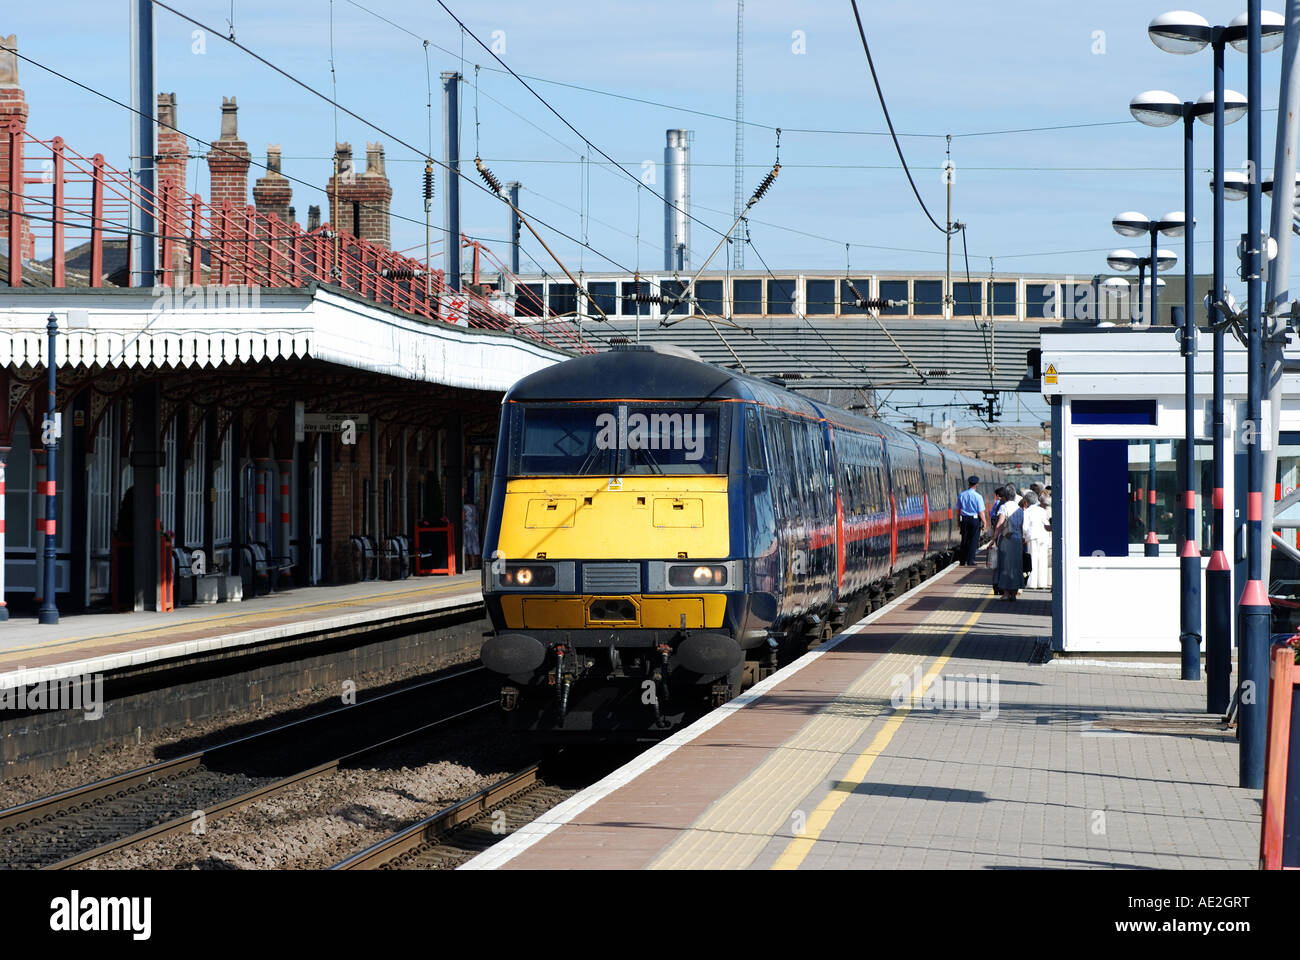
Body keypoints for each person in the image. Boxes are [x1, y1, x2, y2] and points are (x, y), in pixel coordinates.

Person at [993, 488, 1025, 601]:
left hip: (1006, 540)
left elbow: (1000, 523)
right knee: (1016, 567)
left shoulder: (1004, 507)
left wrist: (995, 537)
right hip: (1017, 540)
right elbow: (1022, 527)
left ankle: (1006, 593)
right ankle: (1013, 593)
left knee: (1005, 566)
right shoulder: (1019, 509)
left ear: (1005, 497)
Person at [1021, 491, 1051, 589]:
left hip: (1032, 537)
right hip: (1043, 537)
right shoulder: (1042, 511)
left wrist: (1024, 536)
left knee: (1033, 560)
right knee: (1042, 560)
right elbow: (1046, 524)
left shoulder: (1026, 512)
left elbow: (1025, 527)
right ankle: (1042, 583)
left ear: (1026, 501)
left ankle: (1032, 583)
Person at [956, 475, 988, 566]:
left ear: (969, 484)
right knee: (973, 540)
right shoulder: (978, 496)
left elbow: (958, 511)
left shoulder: (962, 495)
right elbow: (981, 512)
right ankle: (970, 560)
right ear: (976, 484)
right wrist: (984, 522)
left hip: (964, 519)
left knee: (964, 539)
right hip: (974, 520)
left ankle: (962, 560)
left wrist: (958, 521)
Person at [463, 499, 481, 570]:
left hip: (467, 529)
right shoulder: (474, 507)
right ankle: (477, 563)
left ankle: (471, 564)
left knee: (468, 547)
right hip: (474, 529)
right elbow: (476, 519)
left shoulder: (464, 507)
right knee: (475, 546)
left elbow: (463, 517)